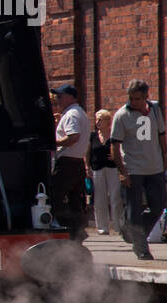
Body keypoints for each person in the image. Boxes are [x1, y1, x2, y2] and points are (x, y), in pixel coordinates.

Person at [111, 79, 167, 260]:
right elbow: (114, 145)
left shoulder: (155, 109)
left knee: (159, 205)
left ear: (146, 97)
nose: (133, 102)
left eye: (137, 99)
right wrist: (122, 171)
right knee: (134, 209)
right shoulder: (122, 115)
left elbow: (161, 135)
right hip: (133, 169)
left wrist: (165, 158)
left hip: (155, 167)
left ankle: (130, 230)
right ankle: (142, 248)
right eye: (131, 98)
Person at [51, 83, 88, 240]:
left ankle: (63, 228)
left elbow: (73, 137)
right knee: (74, 201)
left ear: (71, 97)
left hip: (67, 162)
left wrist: (54, 143)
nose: (57, 99)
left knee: (55, 197)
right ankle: (77, 232)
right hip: (77, 162)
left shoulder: (71, 114)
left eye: (60, 96)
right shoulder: (78, 112)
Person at [89, 108, 123, 234]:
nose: (97, 122)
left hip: (112, 168)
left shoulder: (114, 135)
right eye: (96, 119)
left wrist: (116, 156)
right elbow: (88, 152)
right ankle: (102, 227)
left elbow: (121, 149)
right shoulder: (93, 136)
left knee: (115, 197)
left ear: (108, 121)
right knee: (99, 198)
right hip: (97, 168)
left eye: (100, 120)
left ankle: (118, 226)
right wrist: (87, 166)